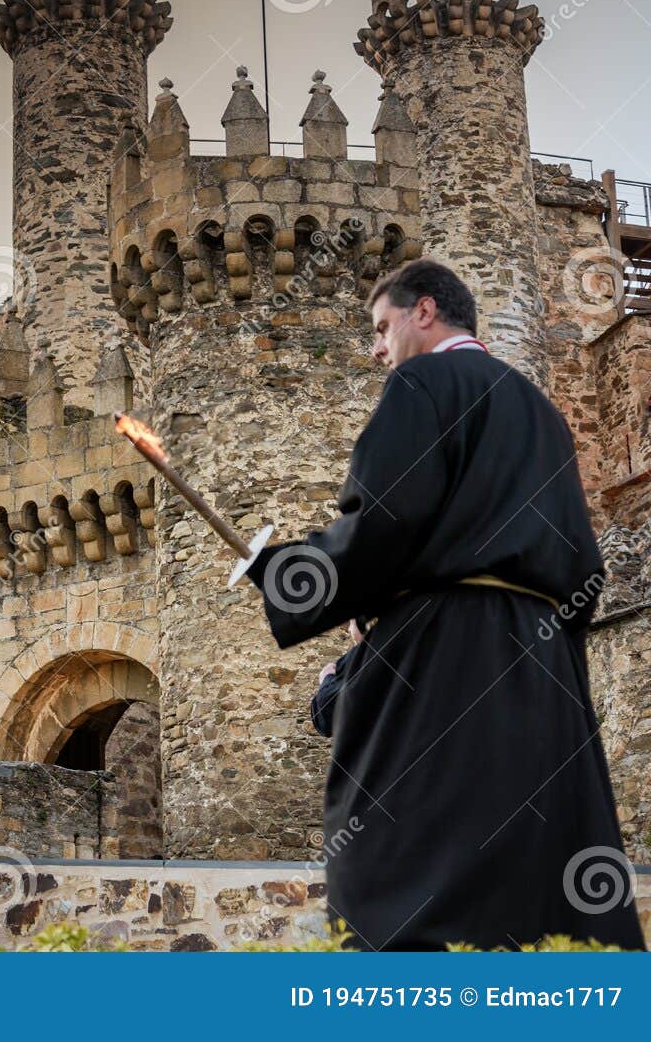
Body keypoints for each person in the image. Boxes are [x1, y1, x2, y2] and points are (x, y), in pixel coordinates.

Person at [247, 259, 643, 951]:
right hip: (545, 668)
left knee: (406, 859)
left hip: (447, 659)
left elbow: (387, 517)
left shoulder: (422, 382)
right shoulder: (543, 412)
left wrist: (288, 573)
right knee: (535, 872)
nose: (377, 348)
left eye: (380, 327)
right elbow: (584, 559)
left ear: (423, 311)